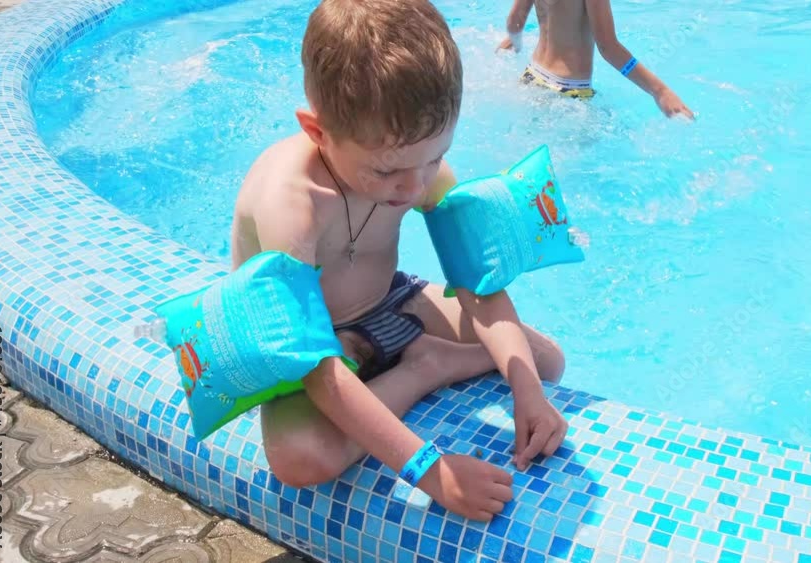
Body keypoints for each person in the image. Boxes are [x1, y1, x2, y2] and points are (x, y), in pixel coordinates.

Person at [229, 0, 569, 522]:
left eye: (434, 157)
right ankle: (422, 368)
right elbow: (316, 368)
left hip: (390, 302)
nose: (414, 187)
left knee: (543, 361)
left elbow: (479, 282)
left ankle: (427, 359)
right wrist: (433, 473)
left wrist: (528, 394)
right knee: (302, 459)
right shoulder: (291, 203)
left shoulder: (410, 162)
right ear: (318, 132)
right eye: (388, 171)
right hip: (312, 350)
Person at [497, 0, 694, 118]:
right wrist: (660, 91)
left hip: (531, 78)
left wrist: (515, 42)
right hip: (568, 93)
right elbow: (608, 48)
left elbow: (514, 21)